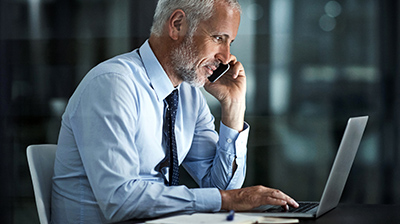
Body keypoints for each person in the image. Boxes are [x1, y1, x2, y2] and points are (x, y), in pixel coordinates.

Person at [51, 0, 299, 223]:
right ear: (177, 24)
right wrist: (226, 199)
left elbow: (221, 187)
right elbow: (120, 201)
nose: (226, 57)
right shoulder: (113, 84)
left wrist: (233, 107)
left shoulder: (188, 94)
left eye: (229, 42)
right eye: (218, 38)